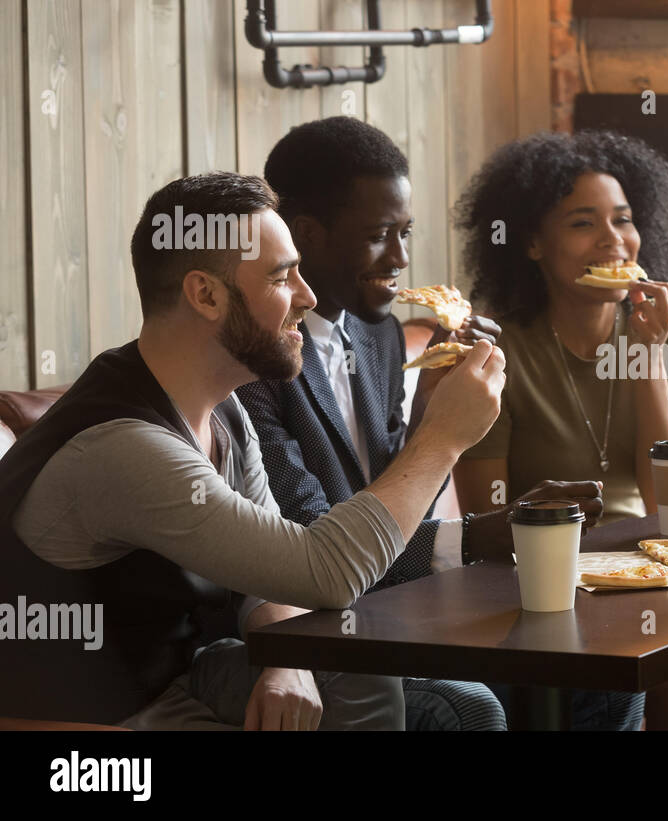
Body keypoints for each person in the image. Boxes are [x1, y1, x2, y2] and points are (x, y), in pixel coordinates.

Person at [0, 172, 506, 729]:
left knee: (380, 674)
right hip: (92, 719)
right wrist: (443, 437)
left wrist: (285, 659)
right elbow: (326, 572)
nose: (307, 297)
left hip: (173, 671)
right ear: (206, 294)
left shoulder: (224, 408)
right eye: (282, 277)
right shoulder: (123, 447)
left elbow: (270, 578)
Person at [237, 117, 609, 730]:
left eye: (406, 233)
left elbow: (394, 499)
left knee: (601, 675)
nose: (402, 259)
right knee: (468, 708)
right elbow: (317, 545)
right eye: (380, 235)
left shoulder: (378, 334)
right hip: (323, 627)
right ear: (307, 234)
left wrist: (428, 417)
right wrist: (482, 533)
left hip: (398, 609)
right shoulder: (258, 363)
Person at [452, 131, 668, 729]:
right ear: (535, 244)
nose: (613, 240)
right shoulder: (498, 347)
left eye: (623, 219)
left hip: (653, 562)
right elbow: (486, 517)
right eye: (581, 223)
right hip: (537, 576)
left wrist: (647, 357)